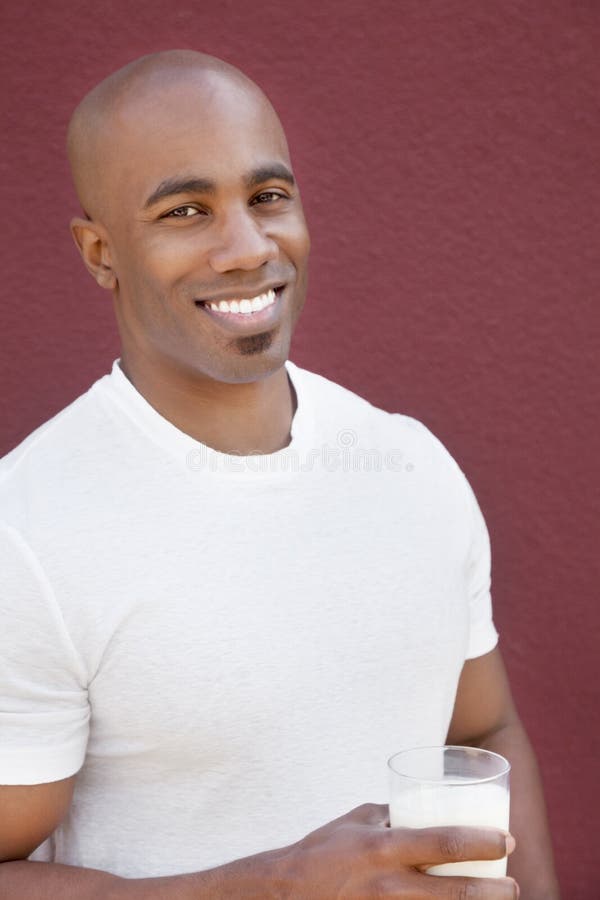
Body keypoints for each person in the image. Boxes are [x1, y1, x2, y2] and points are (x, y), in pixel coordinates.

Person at [0, 50, 560, 898]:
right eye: (186, 210)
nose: (248, 246)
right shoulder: (29, 529)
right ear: (99, 251)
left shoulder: (410, 463)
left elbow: (485, 729)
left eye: (268, 197)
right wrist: (276, 886)